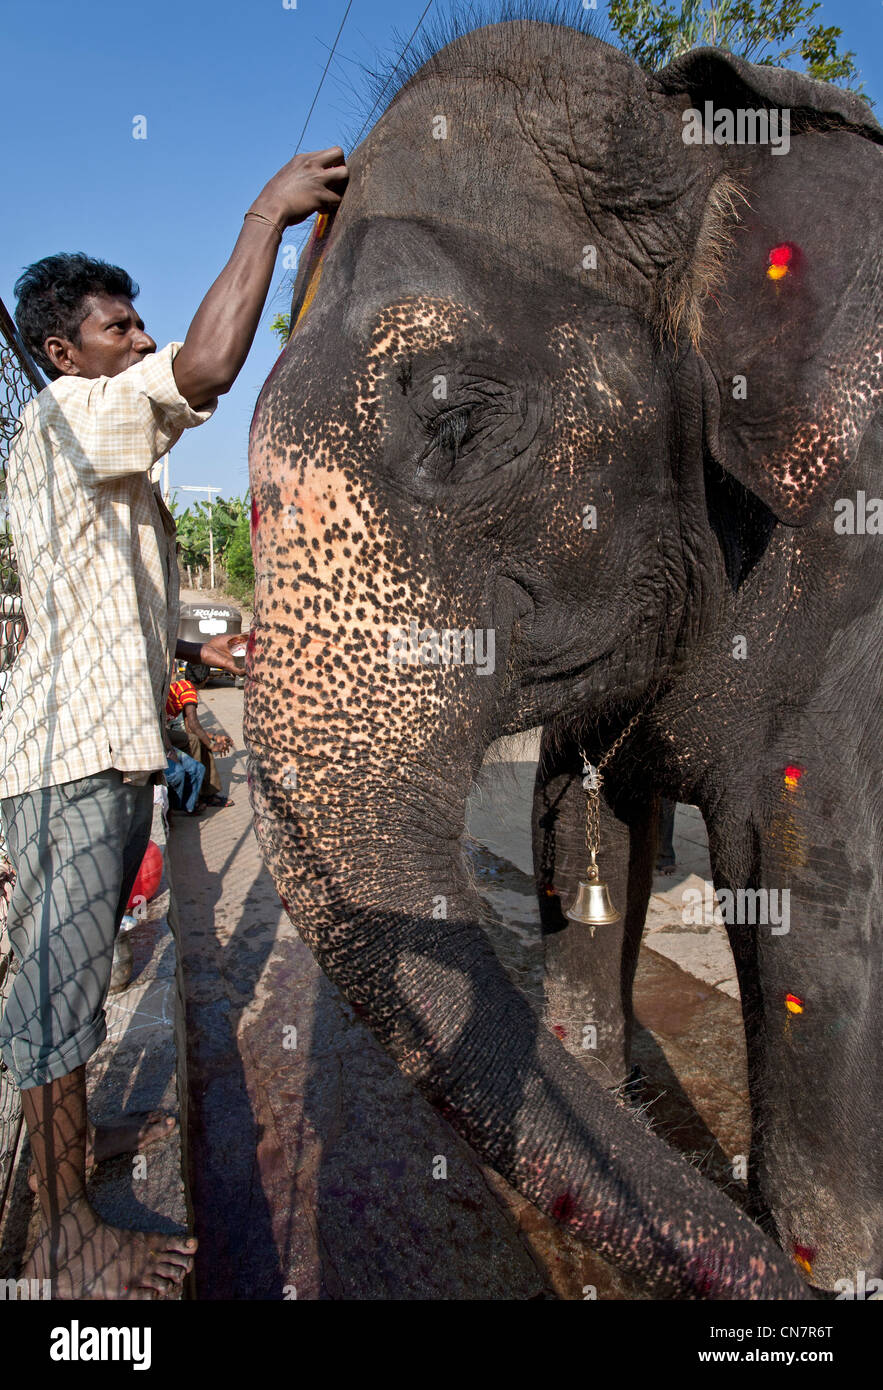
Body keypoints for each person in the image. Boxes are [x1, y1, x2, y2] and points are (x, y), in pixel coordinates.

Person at [0, 145, 348, 1299]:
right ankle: (65, 1239)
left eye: (140, 325)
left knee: (76, 978)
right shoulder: (70, 415)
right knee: (54, 1001)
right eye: (121, 326)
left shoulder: (94, 452)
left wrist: (199, 650)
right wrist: (268, 212)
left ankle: (66, 1160)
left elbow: (102, 599)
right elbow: (207, 364)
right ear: (65, 353)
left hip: (95, 744)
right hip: (70, 757)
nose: (142, 342)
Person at [166, 676, 234, 808]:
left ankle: (207, 794)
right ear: (206, 679)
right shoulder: (188, 690)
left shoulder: (181, 688)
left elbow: (190, 728)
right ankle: (197, 795)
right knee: (196, 742)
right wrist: (212, 745)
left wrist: (212, 738)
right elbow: (193, 723)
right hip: (157, 731)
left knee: (199, 740)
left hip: (160, 730)